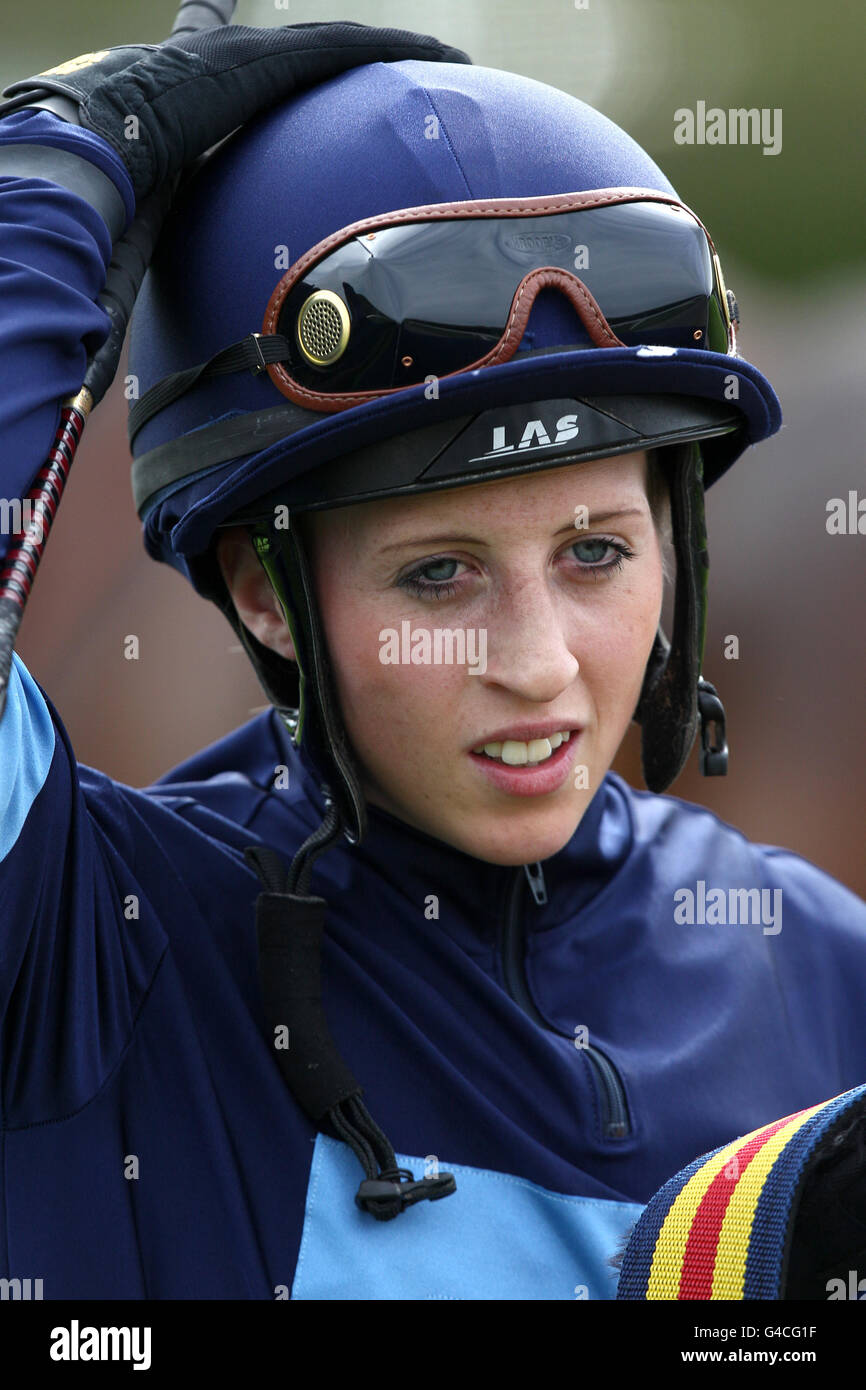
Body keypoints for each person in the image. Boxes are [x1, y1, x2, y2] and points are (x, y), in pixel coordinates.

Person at [0, 20, 864, 1302]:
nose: (538, 665)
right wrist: (50, 173)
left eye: (593, 554)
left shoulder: (826, 962)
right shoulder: (88, 945)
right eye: (438, 573)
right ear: (265, 591)